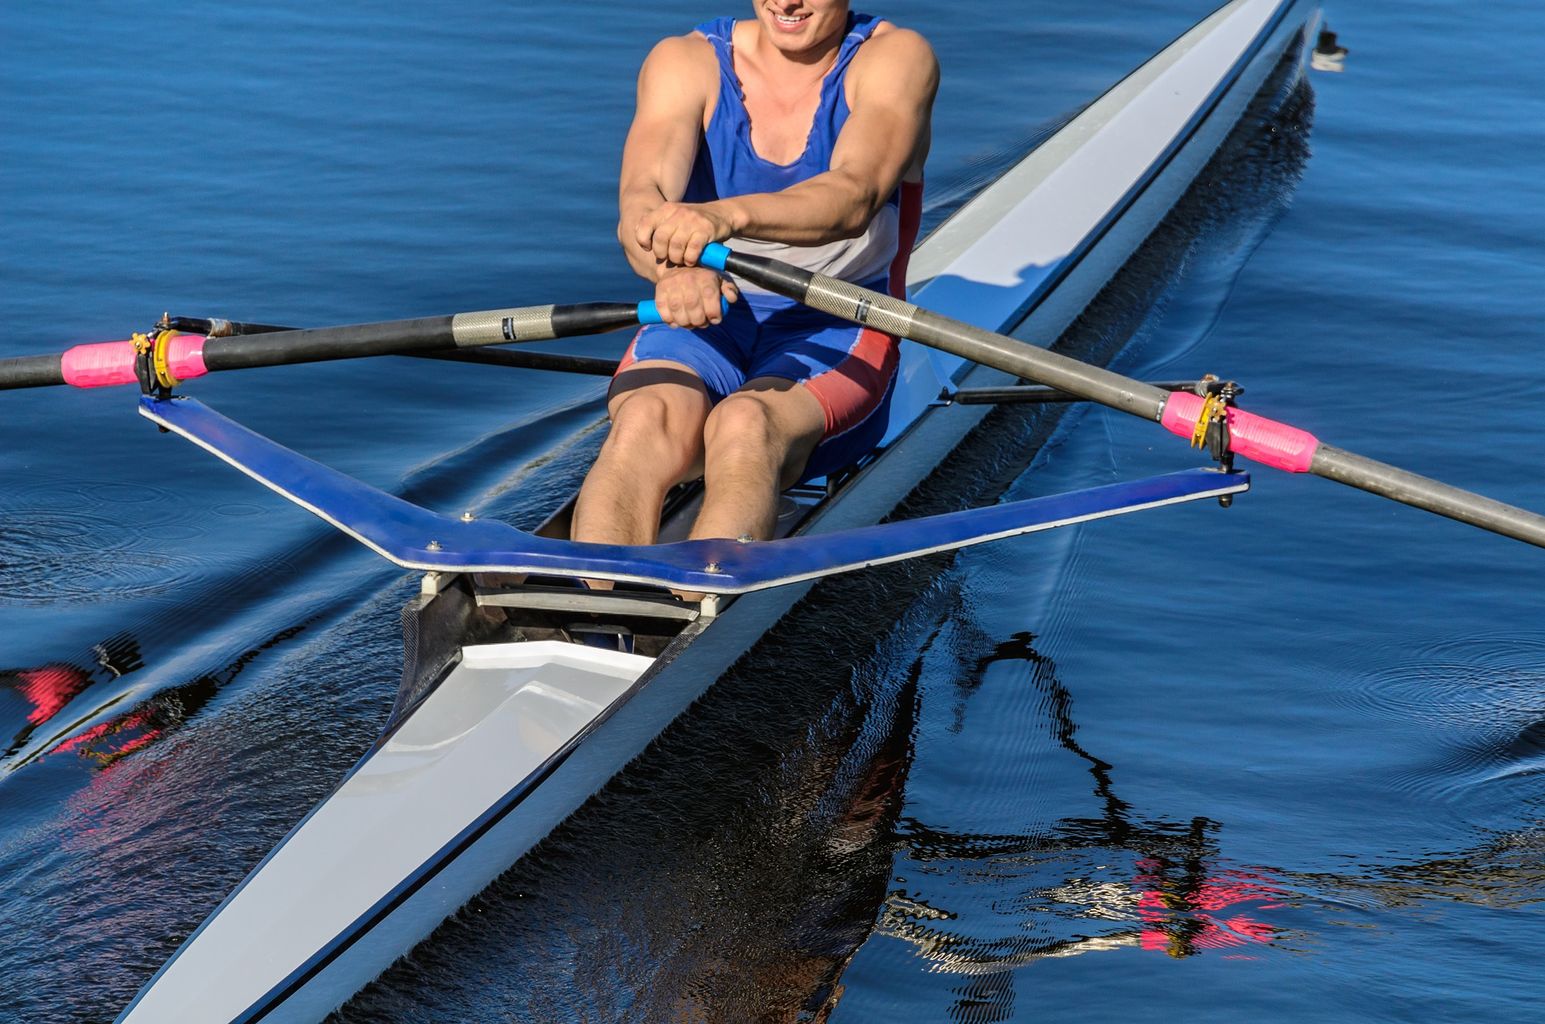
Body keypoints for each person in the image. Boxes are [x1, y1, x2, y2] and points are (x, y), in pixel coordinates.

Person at [571, 1, 937, 551]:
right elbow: (641, 204)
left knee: (745, 423)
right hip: (707, 316)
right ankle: (588, 591)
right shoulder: (684, 61)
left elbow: (853, 197)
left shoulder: (895, 58)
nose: (786, 2)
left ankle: (706, 593)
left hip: (838, 319)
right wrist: (673, 270)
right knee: (644, 418)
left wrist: (724, 217)